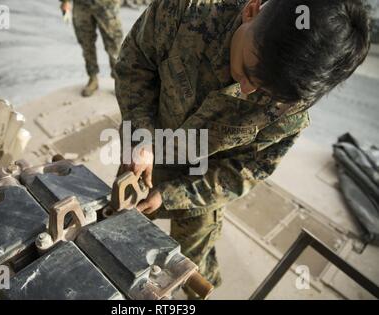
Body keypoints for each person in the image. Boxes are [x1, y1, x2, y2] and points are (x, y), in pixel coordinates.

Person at [114, 0, 370, 298]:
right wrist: (139, 136)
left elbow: (246, 170)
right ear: (251, 10)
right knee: (121, 236)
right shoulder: (187, 9)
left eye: (265, 91)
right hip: (143, 157)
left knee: (190, 264)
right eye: (248, 71)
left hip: (201, 189)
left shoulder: (290, 109)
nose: (247, 89)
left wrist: (172, 195)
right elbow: (136, 61)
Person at [60, 0, 123, 97]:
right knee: (86, 42)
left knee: (114, 44)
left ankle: (120, 82)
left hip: (106, 5)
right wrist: (65, 1)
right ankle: (93, 78)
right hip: (82, 5)